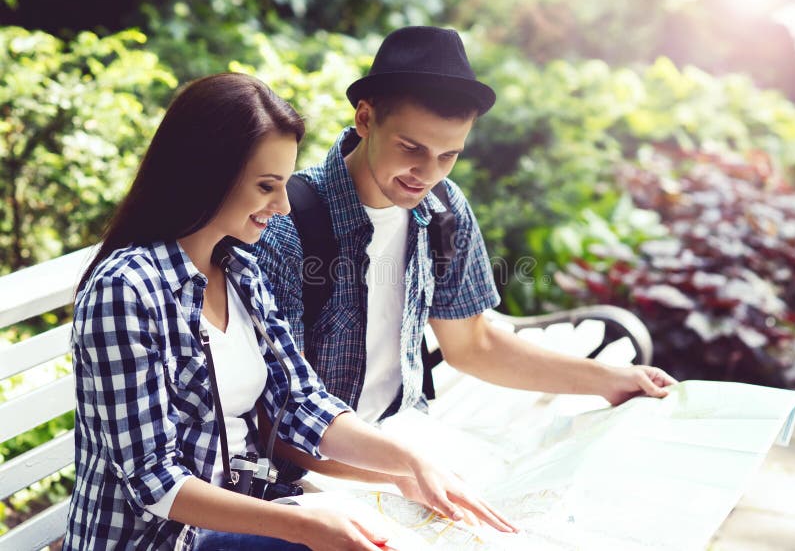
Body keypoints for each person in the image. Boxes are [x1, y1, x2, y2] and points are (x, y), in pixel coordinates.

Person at [65, 72, 516, 551]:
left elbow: (301, 401)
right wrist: (303, 526)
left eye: (282, 185)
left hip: (242, 514)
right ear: (206, 177)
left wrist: (410, 463)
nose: (281, 206)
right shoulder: (126, 291)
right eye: (266, 187)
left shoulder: (238, 269)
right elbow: (153, 479)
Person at [253, 26, 677, 484]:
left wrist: (612, 380)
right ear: (365, 118)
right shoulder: (287, 221)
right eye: (411, 148)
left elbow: (474, 344)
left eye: (448, 155)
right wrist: (406, 475)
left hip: (406, 441)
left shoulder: (444, 209)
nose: (427, 174)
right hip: (311, 476)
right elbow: (277, 424)